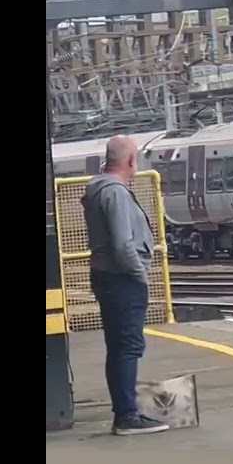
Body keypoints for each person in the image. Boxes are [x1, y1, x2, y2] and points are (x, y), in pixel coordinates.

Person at [80, 135, 170, 436]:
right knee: (127, 347)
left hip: (110, 277)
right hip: (122, 279)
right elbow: (122, 244)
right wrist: (139, 274)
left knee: (119, 346)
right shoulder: (115, 193)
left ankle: (125, 412)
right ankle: (127, 416)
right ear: (131, 161)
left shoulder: (99, 189)